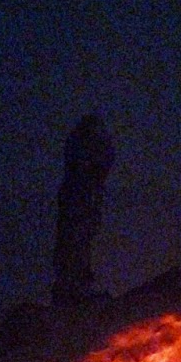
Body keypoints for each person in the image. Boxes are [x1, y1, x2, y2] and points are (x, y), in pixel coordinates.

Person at [51, 114, 114, 304]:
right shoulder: (77, 186)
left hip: (83, 201)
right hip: (78, 201)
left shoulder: (88, 187)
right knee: (75, 241)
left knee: (81, 241)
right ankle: (72, 289)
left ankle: (77, 287)